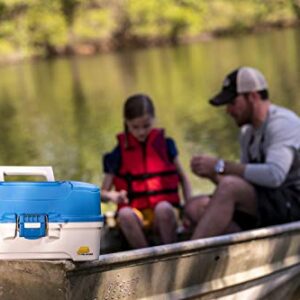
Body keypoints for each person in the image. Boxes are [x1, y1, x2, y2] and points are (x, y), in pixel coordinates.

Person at [185, 66, 300, 240]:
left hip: (294, 200)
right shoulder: (247, 132)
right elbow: (243, 182)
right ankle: (242, 254)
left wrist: (219, 165)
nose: (228, 110)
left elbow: (275, 175)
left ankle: (188, 260)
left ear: (253, 96)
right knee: (195, 207)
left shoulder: (282, 123)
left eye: (232, 103)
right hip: (271, 204)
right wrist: (212, 174)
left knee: (229, 186)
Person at [101, 93, 192, 248]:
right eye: (135, 127)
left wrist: (188, 208)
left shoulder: (166, 144)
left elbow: (184, 178)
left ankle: (170, 254)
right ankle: (145, 258)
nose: (141, 132)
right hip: (137, 217)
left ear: (154, 119)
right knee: (124, 214)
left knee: (163, 208)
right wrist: (112, 196)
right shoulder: (118, 153)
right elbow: (102, 193)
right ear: (127, 123)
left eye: (146, 126)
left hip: (163, 215)